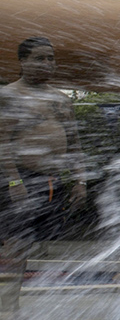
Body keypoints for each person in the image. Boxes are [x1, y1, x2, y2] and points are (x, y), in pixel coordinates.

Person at [3, 36, 75, 259]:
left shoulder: (61, 99)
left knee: (47, 245)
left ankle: (36, 292)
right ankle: (9, 293)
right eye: (40, 58)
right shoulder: (8, 95)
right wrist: (15, 182)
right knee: (16, 244)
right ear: (23, 61)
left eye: (50, 58)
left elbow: (75, 142)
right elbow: (2, 142)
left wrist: (80, 180)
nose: (47, 63)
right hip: (20, 178)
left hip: (53, 181)